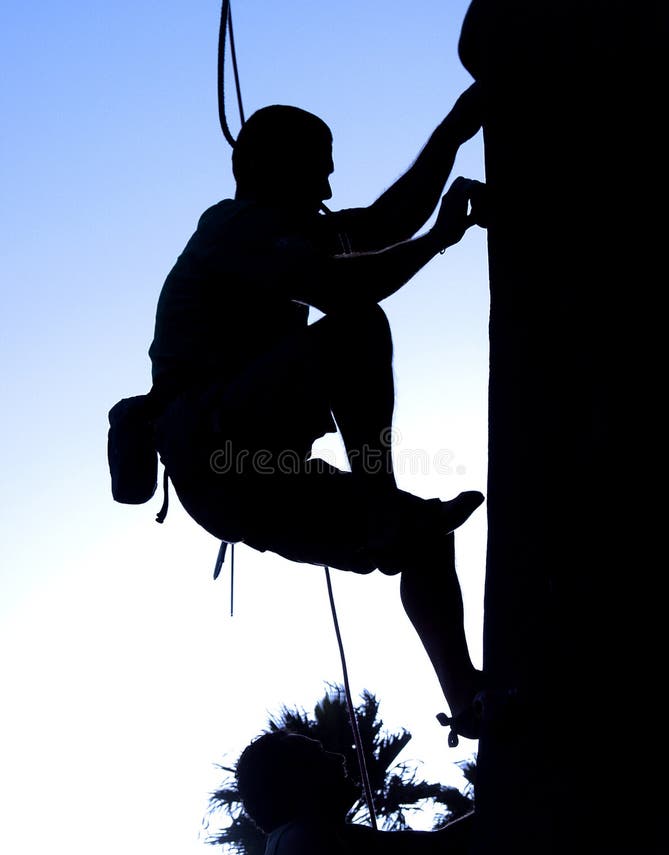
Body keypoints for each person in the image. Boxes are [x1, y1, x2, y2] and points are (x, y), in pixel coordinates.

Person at [149, 87, 486, 734]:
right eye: (320, 164)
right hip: (211, 447)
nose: (330, 179)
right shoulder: (236, 227)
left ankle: (466, 695)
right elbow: (349, 288)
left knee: (422, 539)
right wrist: (441, 238)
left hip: (241, 478)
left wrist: (453, 129)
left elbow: (387, 220)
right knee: (358, 327)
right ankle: (380, 500)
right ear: (279, 167)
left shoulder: (288, 231)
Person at [235, 729, 474, 855]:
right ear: (296, 780)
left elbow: (446, 849)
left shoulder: (304, 841)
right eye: (318, 754)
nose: (339, 758)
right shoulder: (303, 842)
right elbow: (446, 849)